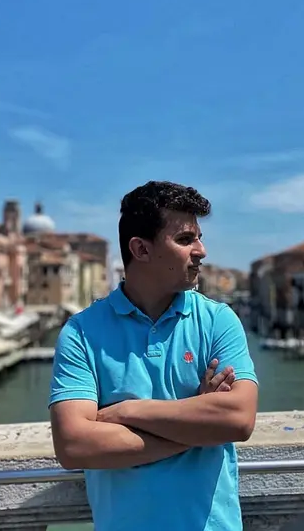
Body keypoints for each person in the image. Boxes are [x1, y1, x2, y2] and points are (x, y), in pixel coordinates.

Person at [49, 180, 258, 531]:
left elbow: (238, 420)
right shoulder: (81, 333)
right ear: (141, 249)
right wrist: (198, 423)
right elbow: (73, 445)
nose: (202, 251)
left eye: (199, 237)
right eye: (185, 239)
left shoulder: (218, 320)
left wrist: (127, 412)